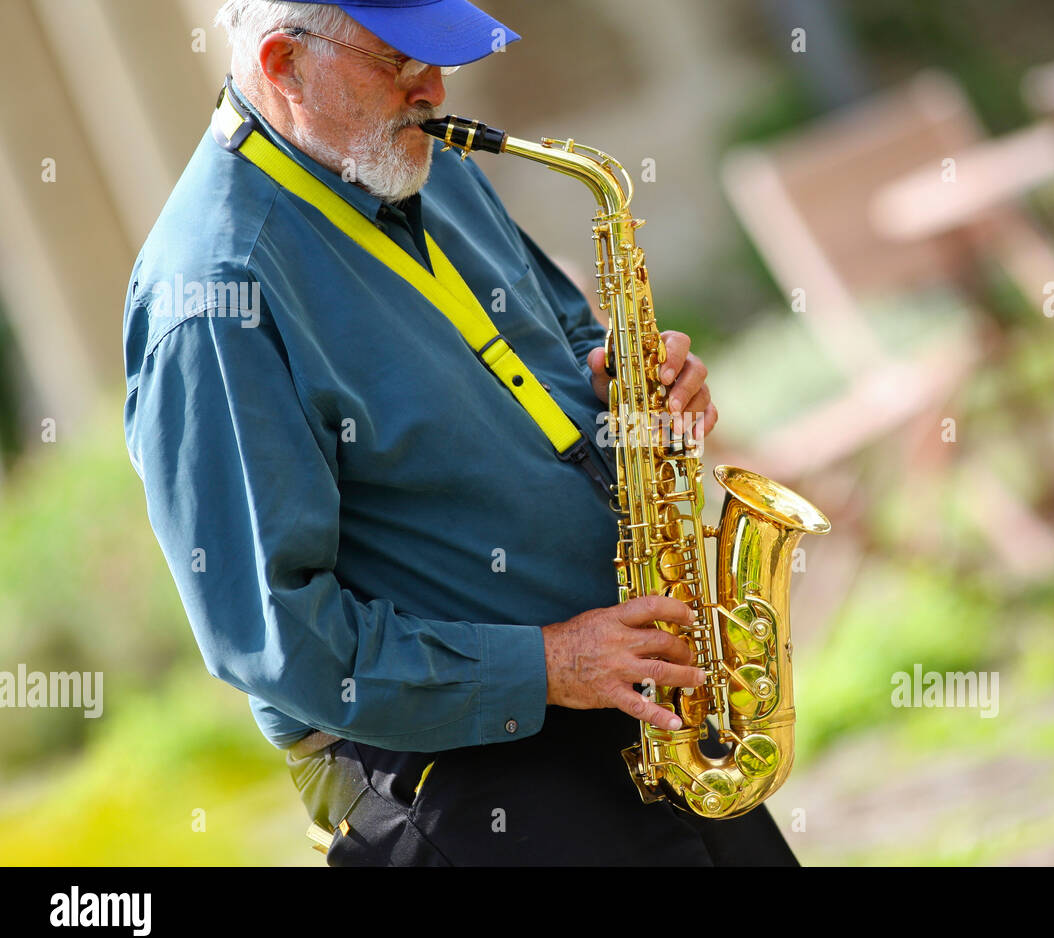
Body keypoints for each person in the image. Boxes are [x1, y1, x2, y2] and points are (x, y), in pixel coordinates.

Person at [122, 0, 797, 865]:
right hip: (460, 778)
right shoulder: (214, 298)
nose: (437, 92)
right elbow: (277, 636)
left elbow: (565, 337)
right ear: (286, 66)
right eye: (403, 66)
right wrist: (549, 665)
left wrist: (630, 382)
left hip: (630, 691)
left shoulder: (411, 156)